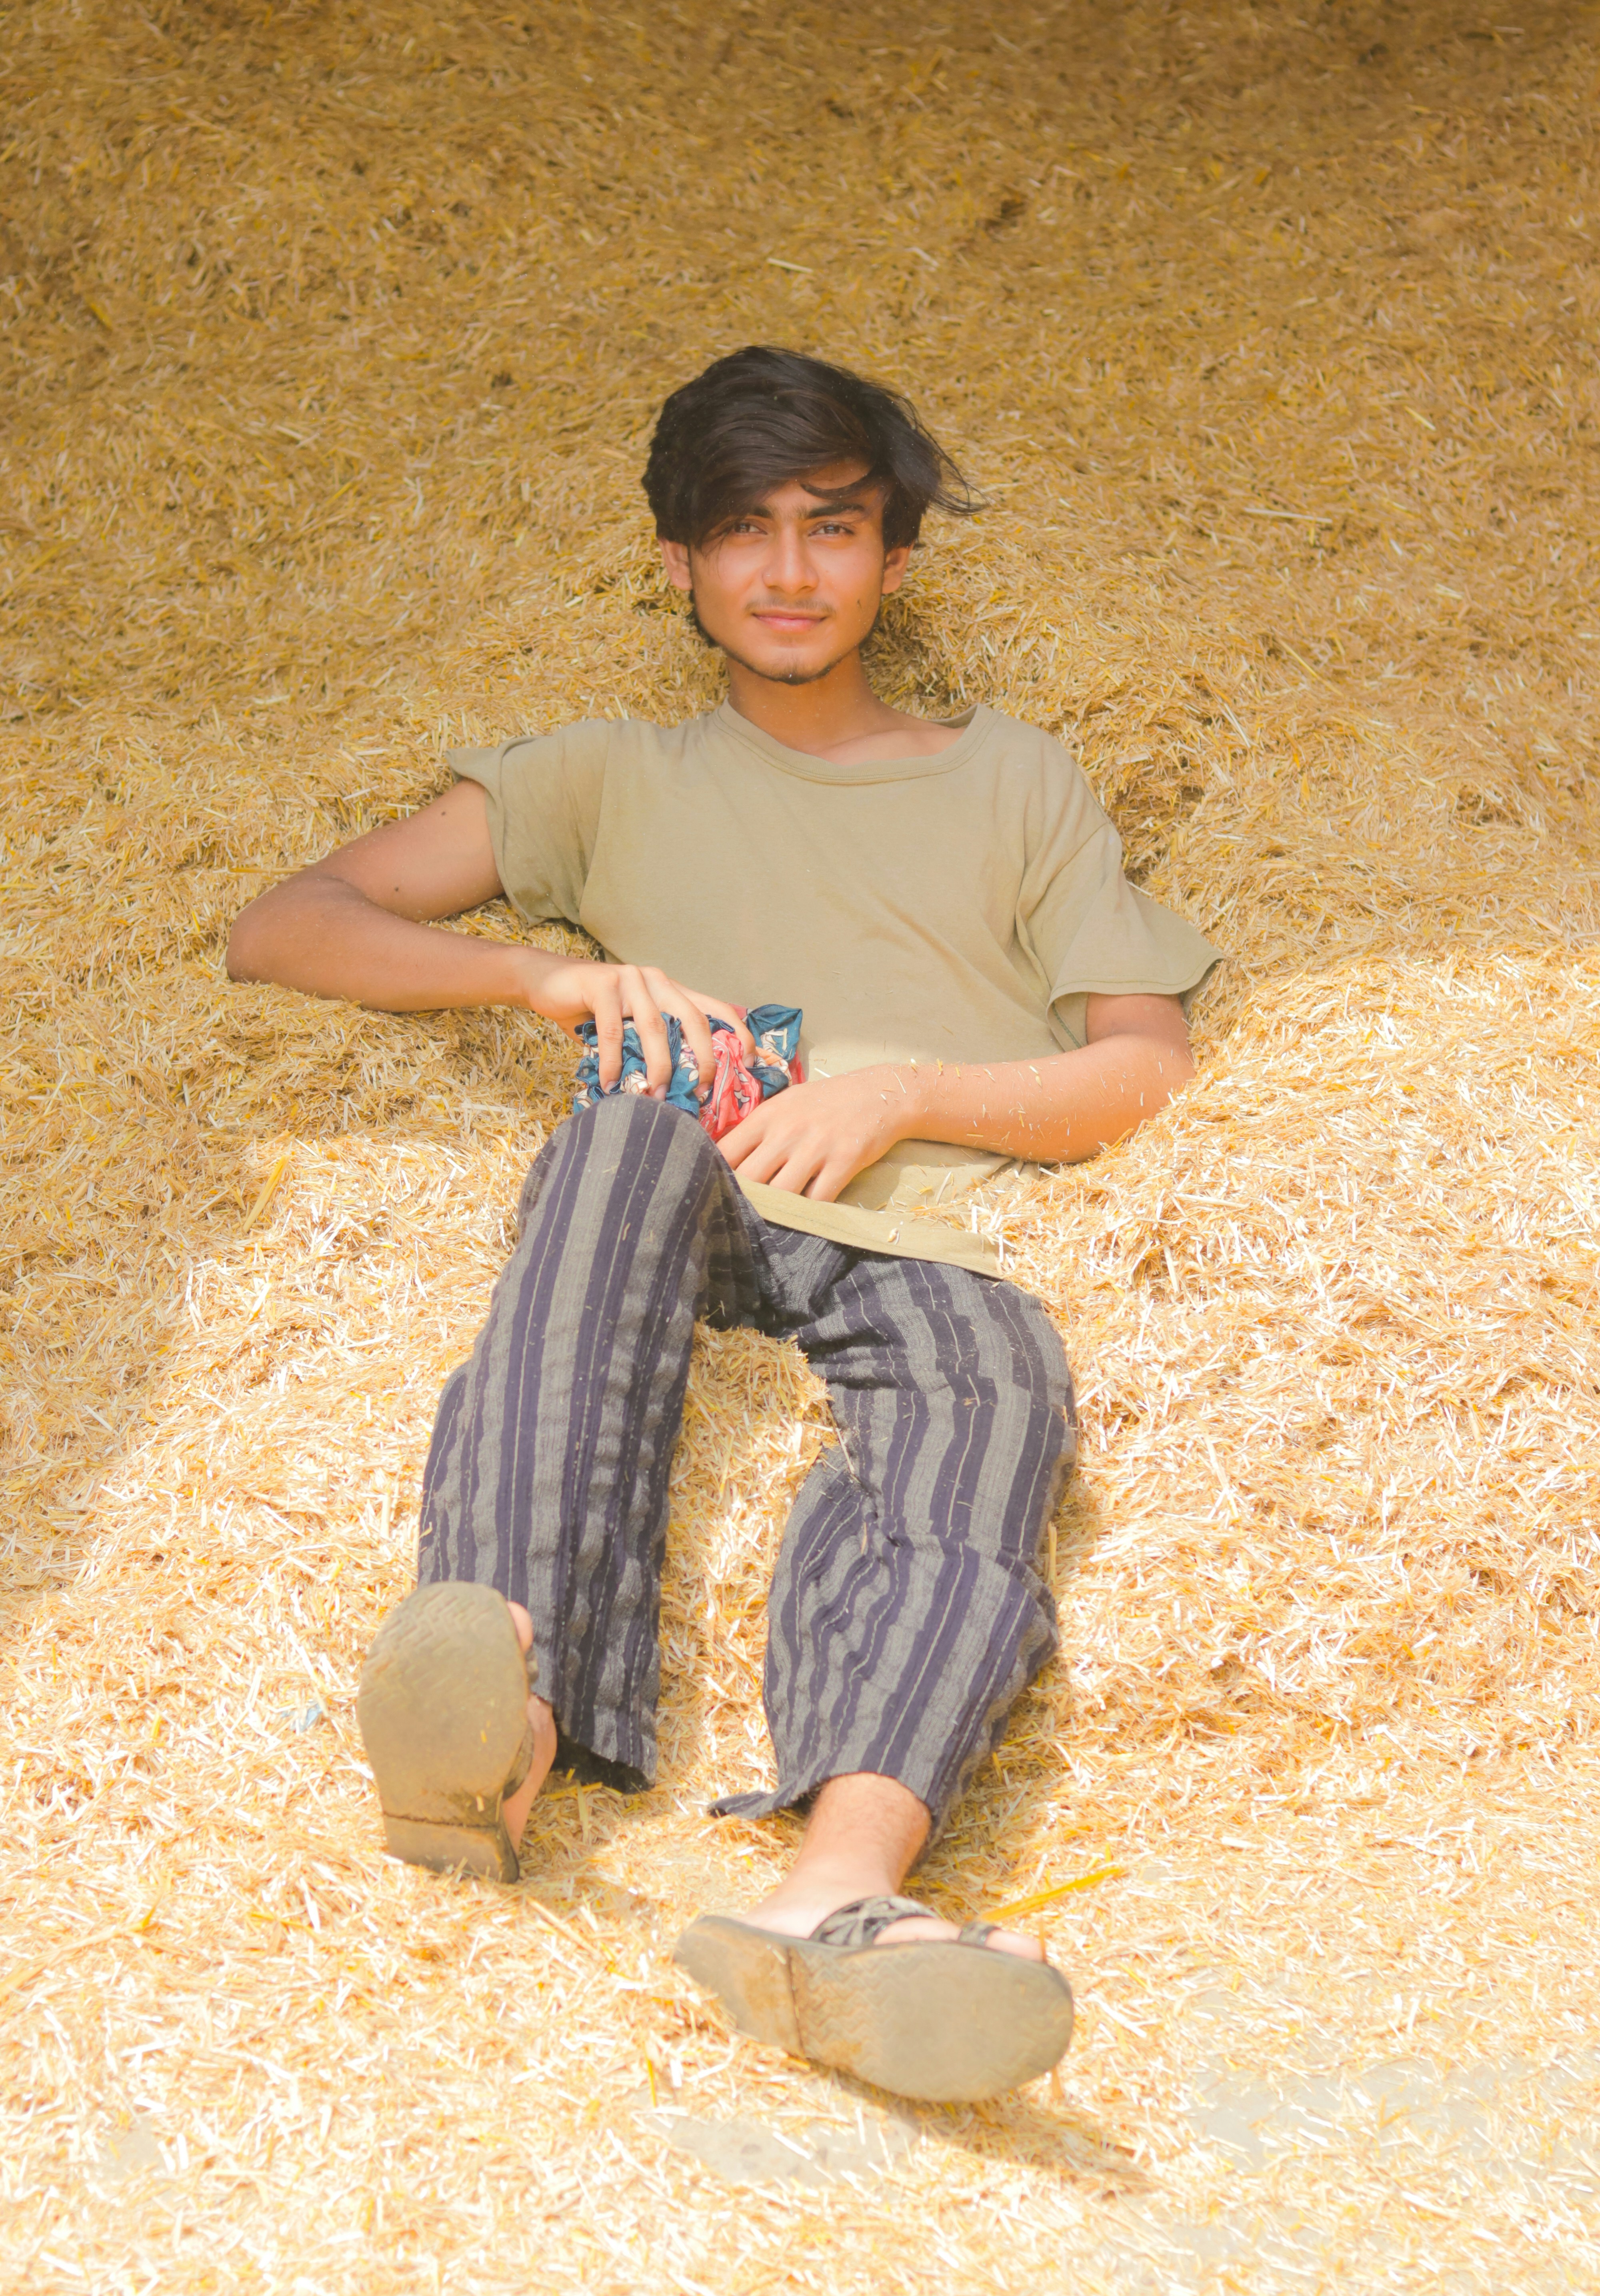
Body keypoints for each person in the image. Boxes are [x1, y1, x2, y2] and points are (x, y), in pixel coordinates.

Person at [226, 347, 1220, 2105]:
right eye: (740, 530)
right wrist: (546, 975)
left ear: (893, 562)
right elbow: (287, 927)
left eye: (831, 529)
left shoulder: (1012, 782)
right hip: (682, 1174)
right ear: (677, 562)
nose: (785, 569)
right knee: (613, 1148)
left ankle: (835, 1898)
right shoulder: (604, 776)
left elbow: (1142, 1066)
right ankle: (500, 1700)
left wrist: (908, 1093)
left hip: (921, 1228)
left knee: (990, 1391)